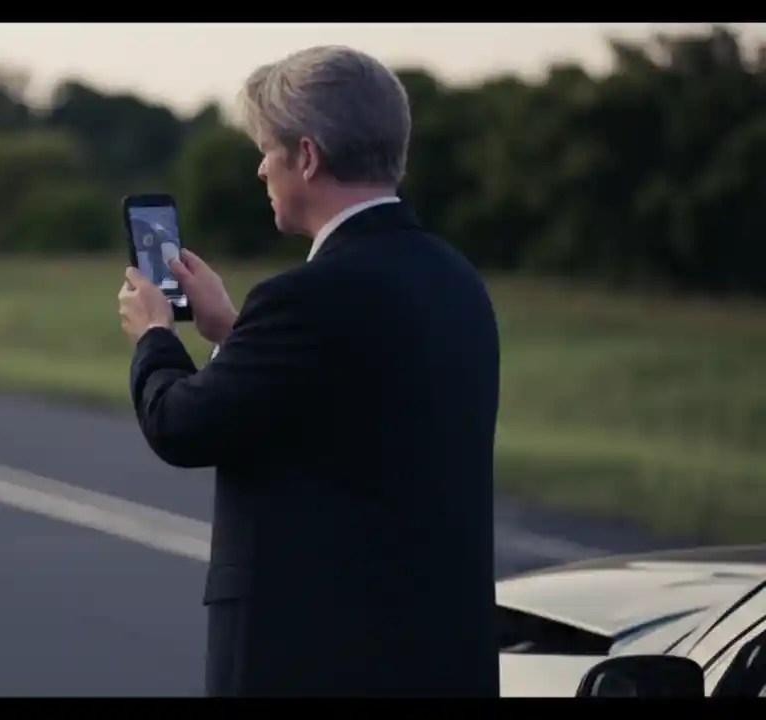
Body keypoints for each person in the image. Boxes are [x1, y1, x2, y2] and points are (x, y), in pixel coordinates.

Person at [116, 45, 501, 697]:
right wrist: (230, 332)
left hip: (318, 657)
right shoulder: (455, 278)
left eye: (267, 148)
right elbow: (347, 409)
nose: (262, 168)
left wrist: (155, 333)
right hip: (438, 655)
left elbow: (180, 426)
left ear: (307, 155)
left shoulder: (308, 297)